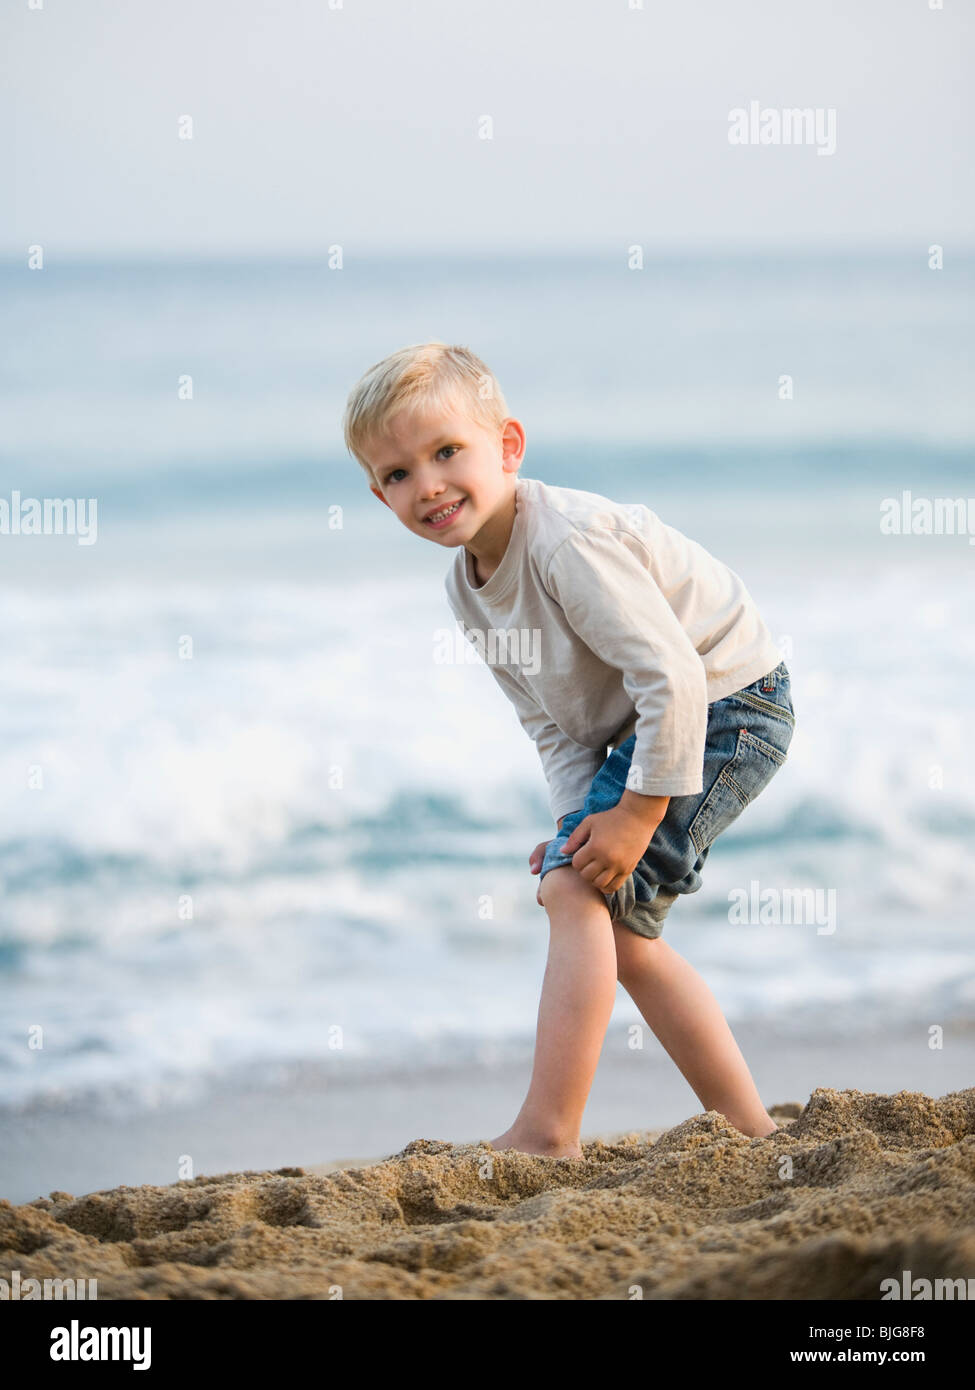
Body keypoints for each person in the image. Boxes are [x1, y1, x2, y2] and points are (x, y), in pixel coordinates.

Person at [343, 340, 796, 1159]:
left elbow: (675, 679)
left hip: (729, 700)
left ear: (507, 447)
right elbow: (552, 723)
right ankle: (749, 1129)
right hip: (654, 720)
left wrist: (631, 817)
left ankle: (548, 1133)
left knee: (574, 896)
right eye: (400, 474)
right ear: (380, 498)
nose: (429, 484)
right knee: (609, 921)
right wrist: (575, 822)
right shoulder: (466, 588)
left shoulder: (564, 544)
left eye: (448, 452)